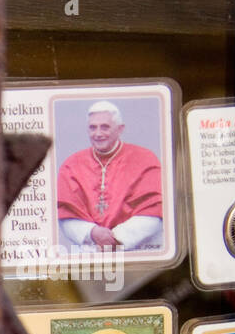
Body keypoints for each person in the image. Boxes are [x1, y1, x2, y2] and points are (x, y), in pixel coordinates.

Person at [57, 100, 163, 251]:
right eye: (93, 128)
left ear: (120, 129)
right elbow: (66, 213)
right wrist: (92, 233)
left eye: (105, 127)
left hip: (135, 251)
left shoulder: (145, 159)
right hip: (89, 251)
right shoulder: (71, 165)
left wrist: (116, 239)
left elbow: (153, 212)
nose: (98, 133)